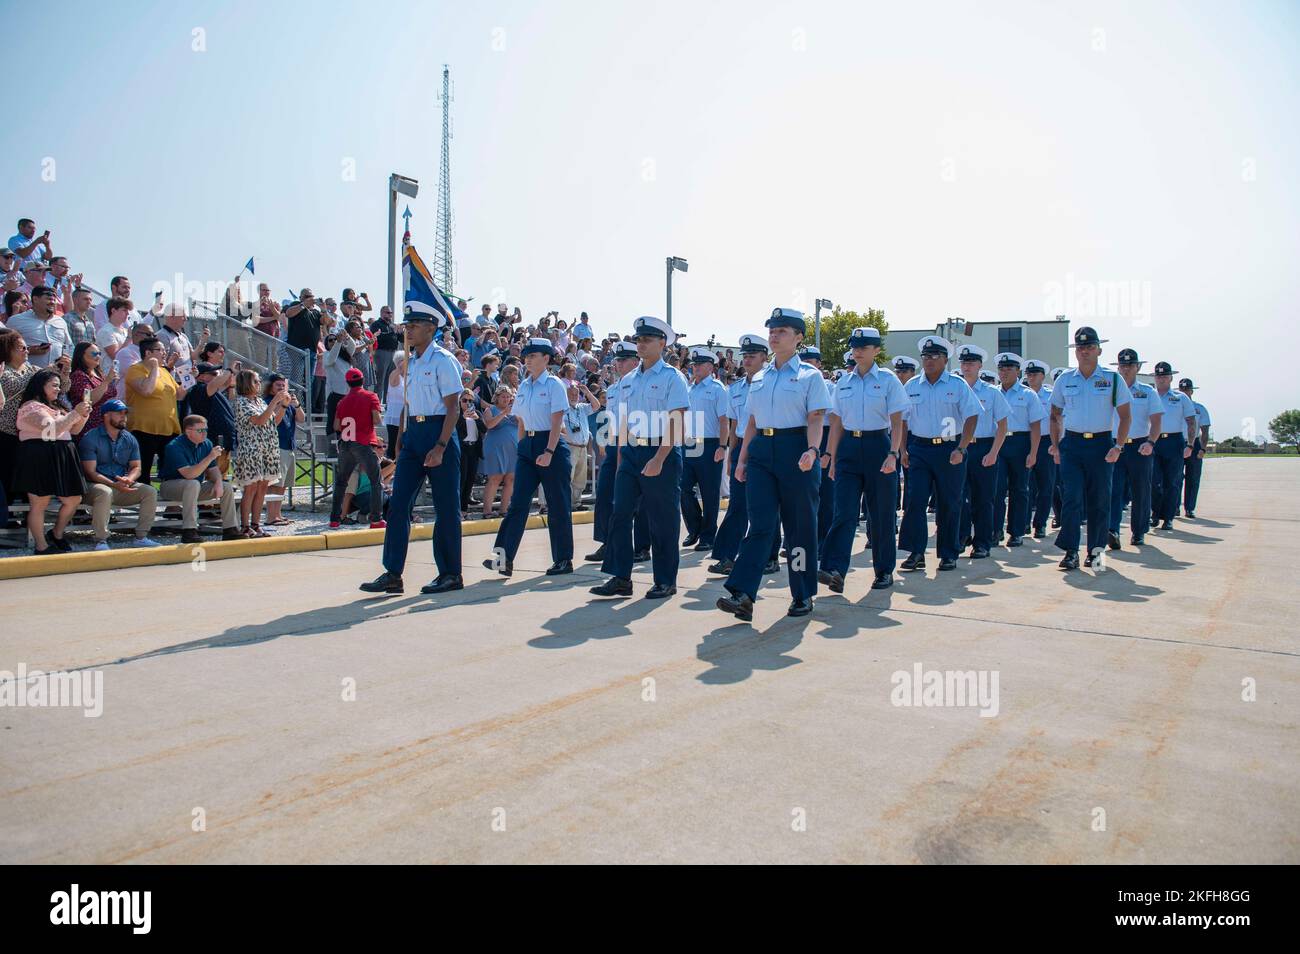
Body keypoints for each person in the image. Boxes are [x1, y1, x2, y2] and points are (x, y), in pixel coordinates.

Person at [716, 308, 831, 620]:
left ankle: (802, 593)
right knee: (762, 524)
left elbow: (816, 417)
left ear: (798, 338)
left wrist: (812, 449)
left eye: (782, 330)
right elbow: (751, 420)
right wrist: (741, 460)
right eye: (772, 330)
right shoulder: (761, 377)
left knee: (799, 529)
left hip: (797, 450)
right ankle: (743, 593)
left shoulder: (810, 376)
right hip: (762, 452)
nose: (774, 335)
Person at [360, 303, 464, 596]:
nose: (408, 330)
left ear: (431, 328)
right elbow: (408, 401)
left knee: (446, 507)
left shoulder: (442, 360)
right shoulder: (412, 362)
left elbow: (453, 406)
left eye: (414, 325)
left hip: (438, 430)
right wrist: (401, 436)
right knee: (398, 504)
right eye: (406, 326)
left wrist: (441, 445)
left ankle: (450, 572)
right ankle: (393, 573)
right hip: (413, 434)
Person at [591, 316, 689, 600]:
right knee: (620, 513)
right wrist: (622, 454)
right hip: (631, 452)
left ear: (662, 343)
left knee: (662, 519)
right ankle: (620, 577)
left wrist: (659, 458)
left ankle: (665, 580)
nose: (641, 344)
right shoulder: (628, 381)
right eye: (639, 339)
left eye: (647, 339)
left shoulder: (673, 377)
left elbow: (676, 421)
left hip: (662, 452)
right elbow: (623, 422)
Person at [818, 326, 906, 593]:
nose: (857, 351)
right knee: (843, 512)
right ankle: (835, 570)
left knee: (880, 515)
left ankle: (883, 571)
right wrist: (831, 456)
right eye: (854, 346)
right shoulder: (844, 382)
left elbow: (897, 421)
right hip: (848, 450)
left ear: (876, 350)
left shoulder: (888, 380)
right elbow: (836, 422)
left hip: (879, 446)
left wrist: (893, 453)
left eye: (864, 347)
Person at [484, 338, 575, 577]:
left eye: (533, 355)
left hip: (550, 445)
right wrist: (523, 446)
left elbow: (557, 421)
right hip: (528, 446)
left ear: (546, 359)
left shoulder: (554, 384)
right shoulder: (524, 386)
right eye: (526, 356)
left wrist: (549, 452)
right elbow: (521, 420)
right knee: (518, 505)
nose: (528, 359)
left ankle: (563, 559)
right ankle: (503, 559)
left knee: (558, 506)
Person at [1048, 326, 1132, 569]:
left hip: (1101, 444)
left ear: (1099, 350)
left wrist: (1118, 446)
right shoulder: (1065, 380)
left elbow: (1125, 416)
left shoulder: (1112, 379)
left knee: (1099, 500)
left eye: (1089, 347)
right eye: (1080, 347)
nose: (1084, 351)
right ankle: (1071, 551)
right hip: (1072, 445)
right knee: (1072, 498)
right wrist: (1055, 446)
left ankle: (1095, 552)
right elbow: (1054, 415)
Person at [898, 335, 982, 573]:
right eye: (925, 356)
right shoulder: (912, 385)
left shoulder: (957, 384)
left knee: (949, 503)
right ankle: (916, 553)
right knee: (914, 501)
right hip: (920, 449)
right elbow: (903, 420)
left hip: (949, 449)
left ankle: (948, 553)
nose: (929, 360)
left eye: (934, 356)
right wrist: (903, 449)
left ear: (945, 360)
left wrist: (962, 448)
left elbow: (972, 415)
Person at [708, 333, 782, 576]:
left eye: (752, 356)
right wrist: (731, 456)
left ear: (765, 357)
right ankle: (728, 556)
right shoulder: (736, 389)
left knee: (766, 506)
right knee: (737, 505)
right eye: (745, 356)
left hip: (767, 443)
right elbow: (733, 424)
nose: (747, 360)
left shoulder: (773, 382)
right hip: (741, 445)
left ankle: (770, 557)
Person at [585, 340, 651, 563]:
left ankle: (642, 546)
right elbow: (608, 417)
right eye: (616, 360)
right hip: (613, 447)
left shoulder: (642, 387)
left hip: (635, 445)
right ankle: (607, 542)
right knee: (605, 495)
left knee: (640, 499)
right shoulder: (612, 390)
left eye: (623, 360)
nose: (618, 364)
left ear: (635, 362)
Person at [11, 369, 90, 553]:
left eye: (58, 385)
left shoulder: (58, 407)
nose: (58, 388)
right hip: (38, 454)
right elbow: (51, 430)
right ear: (40, 386)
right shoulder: (31, 407)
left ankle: (56, 533)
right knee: (39, 502)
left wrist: (82, 415)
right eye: (53, 385)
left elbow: (75, 430)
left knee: (73, 498)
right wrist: (74, 414)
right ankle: (41, 546)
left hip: (62, 454)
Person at [78, 399, 160, 550]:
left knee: (150, 491)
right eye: (119, 413)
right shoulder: (91, 437)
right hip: (93, 487)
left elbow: (136, 467)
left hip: (121, 485)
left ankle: (141, 537)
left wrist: (129, 479)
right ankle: (101, 540)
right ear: (106, 415)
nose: (124, 416)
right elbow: (90, 472)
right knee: (105, 491)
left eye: (125, 413)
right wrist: (113, 484)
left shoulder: (129, 438)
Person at [955, 345, 1010, 559]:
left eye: (971, 363)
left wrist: (994, 452)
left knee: (984, 498)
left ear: (979, 366)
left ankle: (982, 542)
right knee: (958, 496)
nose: (966, 367)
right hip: (960, 446)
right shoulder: (955, 388)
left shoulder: (991, 392)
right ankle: (959, 538)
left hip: (984, 447)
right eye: (963, 363)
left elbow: (1003, 425)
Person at [158, 415, 242, 544]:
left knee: (226, 487)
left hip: (194, 486)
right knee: (192, 484)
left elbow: (213, 470)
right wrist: (209, 457)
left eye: (206, 430)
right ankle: (189, 531)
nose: (204, 433)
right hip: (170, 487)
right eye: (200, 430)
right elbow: (189, 474)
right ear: (188, 431)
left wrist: (219, 483)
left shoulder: (206, 443)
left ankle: (230, 529)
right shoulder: (174, 446)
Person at [1108, 349, 1161, 548]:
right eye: (1122, 365)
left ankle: (1138, 532)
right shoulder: (1111, 389)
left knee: (1141, 490)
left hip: (1140, 446)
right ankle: (1112, 529)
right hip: (1115, 445)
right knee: (1114, 488)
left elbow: (1156, 422)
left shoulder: (1147, 392)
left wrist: (1151, 442)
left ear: (1137, 367)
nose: (1126, 369)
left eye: (1130, 365)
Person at [990, 352, 1044, 548]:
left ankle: (1017, 531)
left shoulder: (1028, 394)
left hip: (1020, 443)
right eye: (1001, 369)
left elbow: (1036, 426)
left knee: (1019, 489)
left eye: (1009, 369)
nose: (1004, 372)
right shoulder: (993, 392)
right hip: (998, 443)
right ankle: (995, 530)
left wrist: (1034, 452)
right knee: (996, 490)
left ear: (1018, 371)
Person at [680, 347, 729, 551]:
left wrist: (722, 446)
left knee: (710, 494)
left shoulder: (717, 389)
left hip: (710, 444)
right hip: (689, 444)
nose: (695, 368)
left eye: (699, 365)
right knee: (682, 488)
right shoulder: (689, 389)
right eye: (694, 365)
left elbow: (724, 421)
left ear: (710, 367)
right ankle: (695, 528)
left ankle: (708, 536)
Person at [124, 336, 186, 482]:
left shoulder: (164, 372)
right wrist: (153, 369)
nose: (165, 353)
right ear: (148, 353)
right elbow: (146, 390)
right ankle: (143, 502)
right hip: (144, 429)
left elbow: (180, 395)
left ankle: (172, 503)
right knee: (143, 472)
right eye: (160, 350)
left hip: (169, 428)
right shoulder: (135, 369)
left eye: (165, 350)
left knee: (171, 472)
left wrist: (189, 378)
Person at [232, 369, 285, 537]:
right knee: (251, 488)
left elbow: (273, 421)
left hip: (267, 449)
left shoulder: (259, 401)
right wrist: (275, 401)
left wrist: (282, 405)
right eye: (255, 381)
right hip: (251, 450)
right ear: (247, 383)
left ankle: (256, 524)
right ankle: (245, 525)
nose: (259, 384)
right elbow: (260, 420)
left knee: (262, 488)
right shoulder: (241, 402)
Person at [329, 368, 385, 529]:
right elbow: (376, 420)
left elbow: (336, 425)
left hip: (345, 444)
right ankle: (376, 519)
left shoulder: (342, 401)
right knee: (376, 481)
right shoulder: (370, 396)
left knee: (341, 483)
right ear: (363, 380)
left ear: (347, 382)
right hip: (363, 443)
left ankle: (335, 519)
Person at [1148, 360, 1197, 532]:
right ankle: (1155, 514)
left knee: (1172, 482)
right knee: (1153, 482)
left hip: (1174, 442)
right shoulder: (1149, 394)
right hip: (1153, 441)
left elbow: (1191, 422)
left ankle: (1167, 518)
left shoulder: (1180, 397)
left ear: (1170, 378)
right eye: (1158, 375)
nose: (1161, 379)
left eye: (1164, 376)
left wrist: (1190, 445)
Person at [264, 373, 305, 526]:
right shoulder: (268, 402)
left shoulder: (287, 402)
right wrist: (283, 404)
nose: (281, 388)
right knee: (275, 484)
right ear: (270, 387)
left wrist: (297, 404)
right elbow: (275, 421)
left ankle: (278, 514)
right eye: (278, 385)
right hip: (276, 447)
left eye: (283, 385)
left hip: (289, 446)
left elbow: (301, 419)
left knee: (283, 485)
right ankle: (271, 516)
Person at [1022, 358, 1056, 538]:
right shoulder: (1022, 394)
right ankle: (1024, 522)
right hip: (1025, 442)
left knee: (1046, 485)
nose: (1031, 377)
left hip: (1045, 443)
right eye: (1028, 374)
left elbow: (1058, 420)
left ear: (1042, 376)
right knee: (1024, 486)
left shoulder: (1050, 396)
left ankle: (1040, 524)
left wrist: (1057, 444)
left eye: (1034, 374)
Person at [479, 385, 518, 518]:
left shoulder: (515, 411)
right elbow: (489, 425)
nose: (506, 399)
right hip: (495, 448)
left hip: (512, 449)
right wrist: (503, 413)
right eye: (503, 397)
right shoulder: (490, 409)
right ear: (497, 397)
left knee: (510, 479)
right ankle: (487, 511)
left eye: (508, 397)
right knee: (495, 478)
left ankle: (504, 510)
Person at [8, 286, 71, 369]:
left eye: (54, 299)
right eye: (48, 299)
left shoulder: (61, 322)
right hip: (27, 376)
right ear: (35, 299)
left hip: (55, 376)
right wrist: (28, 350)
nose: (52, 302)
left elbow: (68, 345)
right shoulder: (16, 320)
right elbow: (5, 347)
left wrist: (66, 357)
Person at [67, 341, 120, 439]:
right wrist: (107, 381)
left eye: (99, 353)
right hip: (92, 429)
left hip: (108, 425)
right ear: (81, 355)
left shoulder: (99, 374)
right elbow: (88, 399)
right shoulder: (78, 375)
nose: (98, 356)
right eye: (94, 353)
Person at [186, 362, 238, 454]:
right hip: (214, 441)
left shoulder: (211, 391)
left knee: (221, 467)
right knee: (213, 468)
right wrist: (229, 370)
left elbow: (223, 385)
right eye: (213, 374)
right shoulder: (198, 389)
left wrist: (231, 381)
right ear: (201, 377)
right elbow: (215, 384)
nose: (217, 375)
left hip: (223, 440)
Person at [561, 378, 597, 510]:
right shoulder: (562, 408)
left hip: (582, 448)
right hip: (570, 447)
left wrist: (587, 392)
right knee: (568, 477)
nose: (574, 396)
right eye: (571, 394)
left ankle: (576, 503)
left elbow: (596, 405)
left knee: (580, 479)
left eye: (576, 394)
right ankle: (566, 503)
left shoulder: (581, 407)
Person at [1179, 377, 1211, 518]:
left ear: (1192, 391)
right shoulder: (1174, 406)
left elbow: (1204, 430)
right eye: (1182, 389)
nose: (1185, 392)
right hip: (1178, 442)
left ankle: (1190, 508)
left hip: (1195, 443)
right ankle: (1174, 507)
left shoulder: (1199, 408)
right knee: (1175, 477)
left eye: (1187, 389)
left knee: (1193, 477)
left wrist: (1203, 448)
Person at [370, 306, 400, 402]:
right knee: (380, 379)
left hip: (393, 353)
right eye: (387, 312)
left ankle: (387, 403)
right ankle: (376, 403)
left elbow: (401, 339)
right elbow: (379, 338)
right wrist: (393, 333)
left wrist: (401, 332)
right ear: (382, 313)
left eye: (391, 313)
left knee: (390, 380)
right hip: (381, 352)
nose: (390, 315)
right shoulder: (376, 324)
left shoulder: (392, 325)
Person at [382, 352, 406, 452]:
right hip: (395, 416)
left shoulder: (407, 376)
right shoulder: (394, 374)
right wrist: (400, 367)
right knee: (393, 444)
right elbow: (393, 381)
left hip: (404, 415)